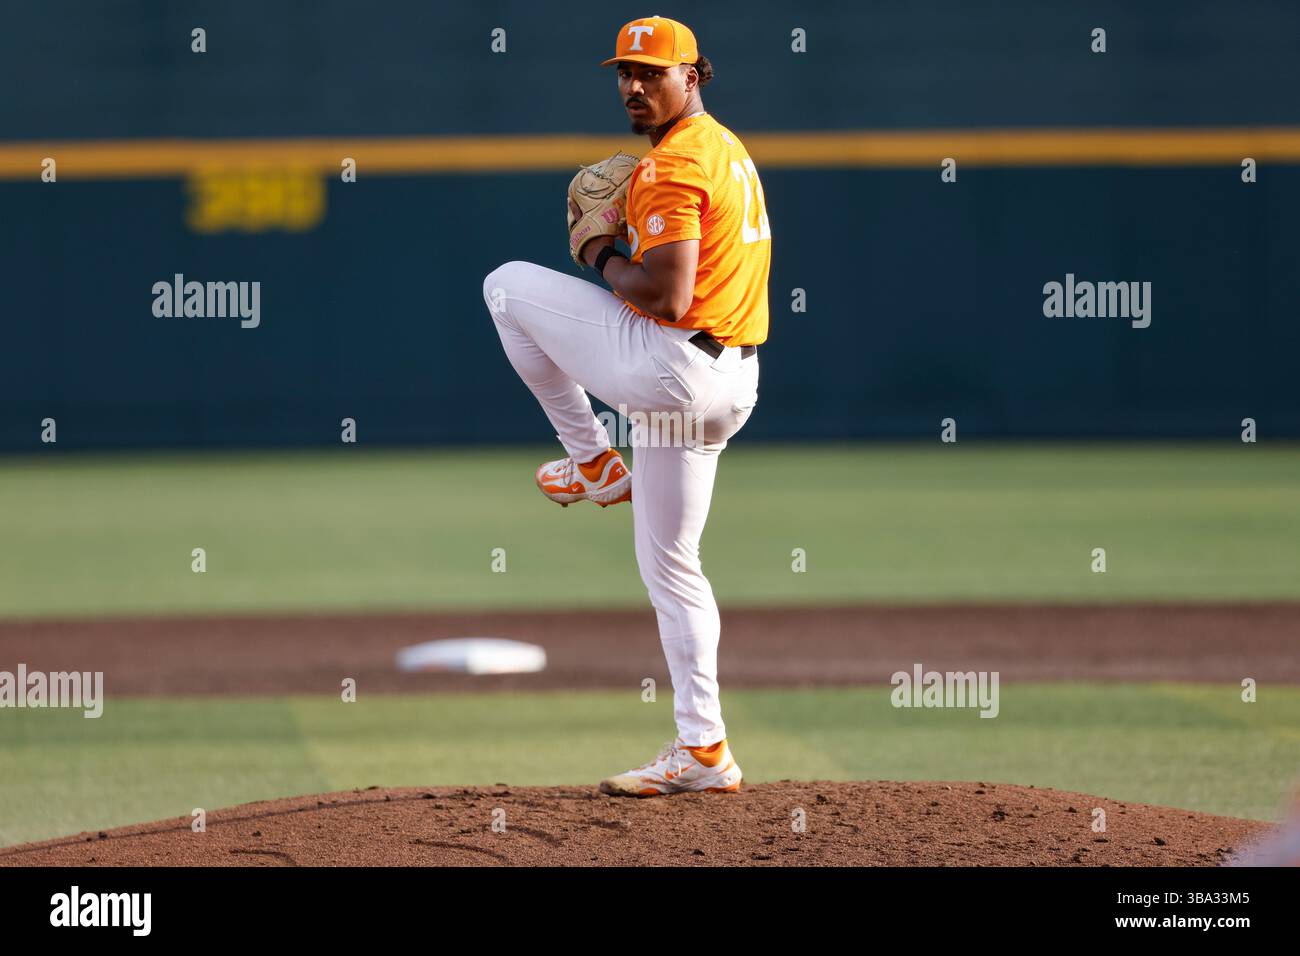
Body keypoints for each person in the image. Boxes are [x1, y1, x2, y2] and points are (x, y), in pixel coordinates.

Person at [483, 15, 771, 796]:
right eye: (625, 74)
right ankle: (705, 750)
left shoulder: (676, 165)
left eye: (653, 73)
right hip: (728, 384)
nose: (635, 87)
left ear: (695, 75)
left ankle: (593, 462)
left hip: (674, 370)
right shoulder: (729, 150)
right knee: (673, 568)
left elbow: (668, 296)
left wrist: (599, 251)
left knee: (506, 287)